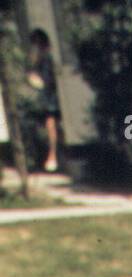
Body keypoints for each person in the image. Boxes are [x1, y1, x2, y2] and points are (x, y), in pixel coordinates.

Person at [26, 28, 60, 174]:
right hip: (45, 98)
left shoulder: (46, 58)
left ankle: (53, 156)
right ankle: (50, 156)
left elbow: (46, 81)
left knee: (50, 126)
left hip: (49, 98)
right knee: (48, 127)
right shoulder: (43, 58)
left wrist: (34, 80)